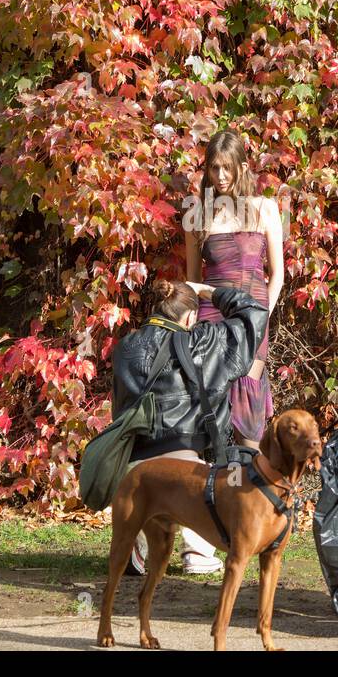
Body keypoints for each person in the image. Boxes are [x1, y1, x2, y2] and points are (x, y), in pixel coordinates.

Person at [111, 278, 268, 575]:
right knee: (223, 459)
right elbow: (255, 313)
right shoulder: (205, 341)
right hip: (190, 470)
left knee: (147, 478)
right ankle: (197, 549)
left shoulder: (125, 347)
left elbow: (119, 411)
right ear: (190, 317)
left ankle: (139, 544)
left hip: (133, 469)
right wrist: (208, 291)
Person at [183, 131, 284, 452]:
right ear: (207, 170)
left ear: (242, 167)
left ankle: (251, 492)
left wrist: (260, 319)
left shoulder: (265, 208)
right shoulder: (197, 214)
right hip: (211, 324)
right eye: (214, 168)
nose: (221, 176)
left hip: (252, 320)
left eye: (227, 167)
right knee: (210, 412)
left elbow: (278, 275)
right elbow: (192, 281)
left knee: (248, 407)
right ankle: (213, 494)